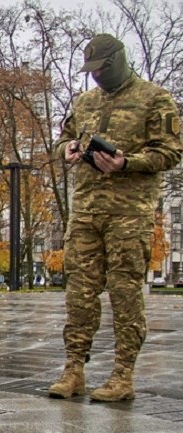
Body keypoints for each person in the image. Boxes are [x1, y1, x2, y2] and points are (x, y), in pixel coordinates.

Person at [48, 33, 182, 402]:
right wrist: (68, 151)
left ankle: (123, 374)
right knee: (79, 293)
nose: (97, 77)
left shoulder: (155, 98)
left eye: (102, 69)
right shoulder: (85, 101)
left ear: (119, 61)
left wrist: (126, 163)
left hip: (129, 213)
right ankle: (74, 368)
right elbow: (63, 139)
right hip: (86, 210)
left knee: (124, 294)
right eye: (91, 71)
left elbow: (170, 153)